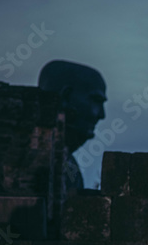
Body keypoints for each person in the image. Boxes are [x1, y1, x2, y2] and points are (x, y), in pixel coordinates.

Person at [37, 60, 107, 191]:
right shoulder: (39, 164)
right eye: (95, 101)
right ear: (66, 97)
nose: (102, 115)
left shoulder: (69, 166)